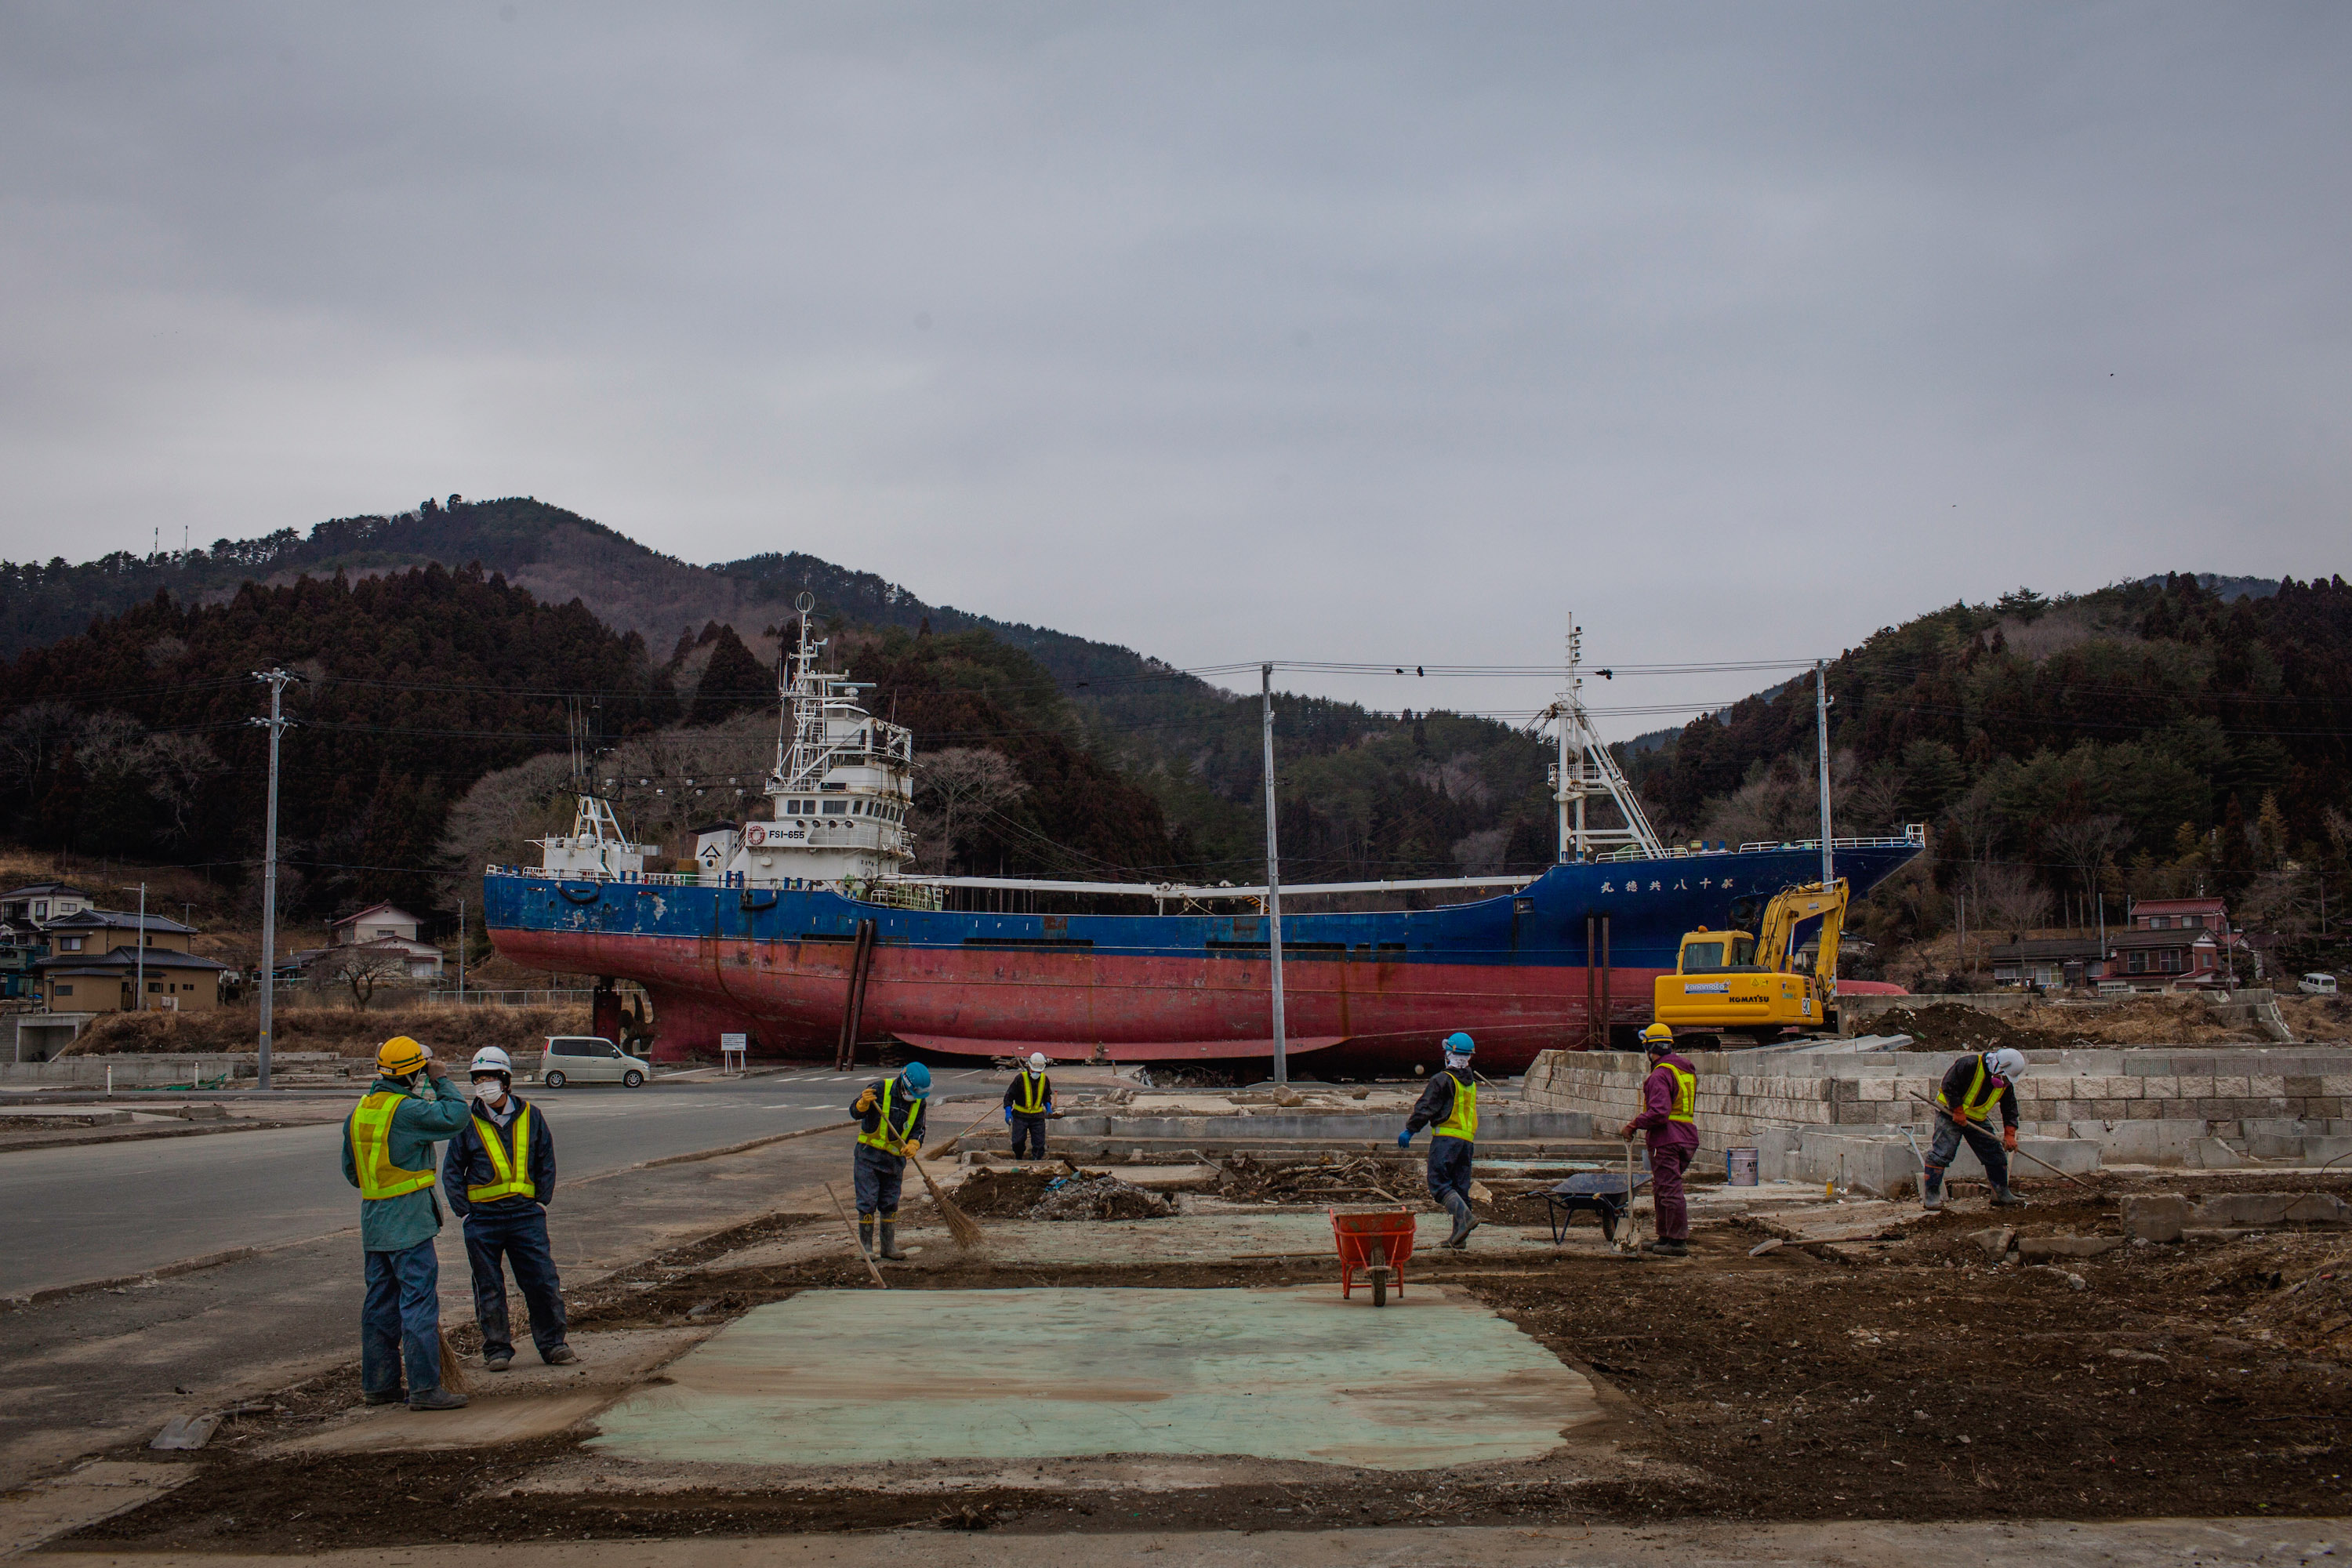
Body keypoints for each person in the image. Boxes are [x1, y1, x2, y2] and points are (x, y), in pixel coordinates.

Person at [342, 1036, 474, 1410]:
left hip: (374, 1225)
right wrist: (441, 1078)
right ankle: (424, 1388)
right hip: (409, 1224)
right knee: (417, 1303)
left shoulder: (361, 1111)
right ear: (415, 1071)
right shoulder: (407, 1111)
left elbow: (352, 1173)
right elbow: (457, 1115)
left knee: (379, 1306)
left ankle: (379, 1386)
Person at [442, 1047, 578, 1374]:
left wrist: (540, 1200)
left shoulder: (532, 1115)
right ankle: (497, 1349)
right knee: (488, 1287)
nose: (483, 1085)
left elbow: (546, 1159)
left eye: (489, 1078)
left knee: (542, 1281)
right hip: (483, 1221)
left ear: (505, 1080)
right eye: (478, 1079)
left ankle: (553, 1344)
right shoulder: (466, 1121)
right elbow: (451, 1171)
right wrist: (465, 1212)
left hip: (525, 1217)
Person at [1618, 1023, 1697, 1257]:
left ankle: (1676, 1242)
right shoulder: (1684, 1070)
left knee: (1669, 1188)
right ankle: (1666, 1236)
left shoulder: (1660, 1074)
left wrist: (1633, 1125)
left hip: (1667, 1138)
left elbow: (1659, 1112)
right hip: (1685, 1136)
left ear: (1650, 1048)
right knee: (1663, 1186)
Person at [1397, 1032, 1480, 1249]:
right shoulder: (1470, 1082)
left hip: (1446, 1140)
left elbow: (1426, 1106)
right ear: (1468, 1056)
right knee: (1460, 1188)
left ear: (1449, 1053)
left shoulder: (1442, 1079)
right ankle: (1459, 1238)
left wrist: (1410, 1130)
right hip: (1466, 1143)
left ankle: (1465, 1219)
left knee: (1438, 1183)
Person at [1922, 1047, 2029, 1211]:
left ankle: (2001, 1193)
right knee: (1942, 1153)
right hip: (1949, 1113)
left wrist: (2009, 1135)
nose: (2004, 1082)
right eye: (2003, 1078)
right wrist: (1957, 1110)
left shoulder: (2005, 1085)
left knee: (1995, 1154)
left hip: (1976, 1119)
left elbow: (2010, 1107)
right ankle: (1931, 1197)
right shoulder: (1970, 1064)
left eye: (2007, 1080)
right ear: (1997, 1066)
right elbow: (1949, 1085)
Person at [851, 1060, 931, 1260]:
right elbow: (854, 1112)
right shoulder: (879, 1089)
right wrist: (863, 1104)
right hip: (868, 1157)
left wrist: (914, 1144)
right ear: (904, 1083)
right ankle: (867, 1248)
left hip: (894, 1161)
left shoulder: (920, 1101)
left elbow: (918, 1129)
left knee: (890, 1203)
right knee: (867, 1201)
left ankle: (888, 1247)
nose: (914, 1098)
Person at [1003, 1051, 1054, 1160]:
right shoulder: (1020, 1079)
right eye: (1034, 1071)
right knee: (1017, 1142)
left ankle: (1037, 1162)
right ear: (1029, 1067)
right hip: (1020, 1116)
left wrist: (1048, 1107)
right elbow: (1009, 1097)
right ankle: (1019, 1157)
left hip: (1037, 1117)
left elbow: (1046, 1096)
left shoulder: (1045, 1080)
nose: (1036, 1073)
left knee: (1039, 1144)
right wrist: (1008, 1112)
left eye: (1038, 1071)